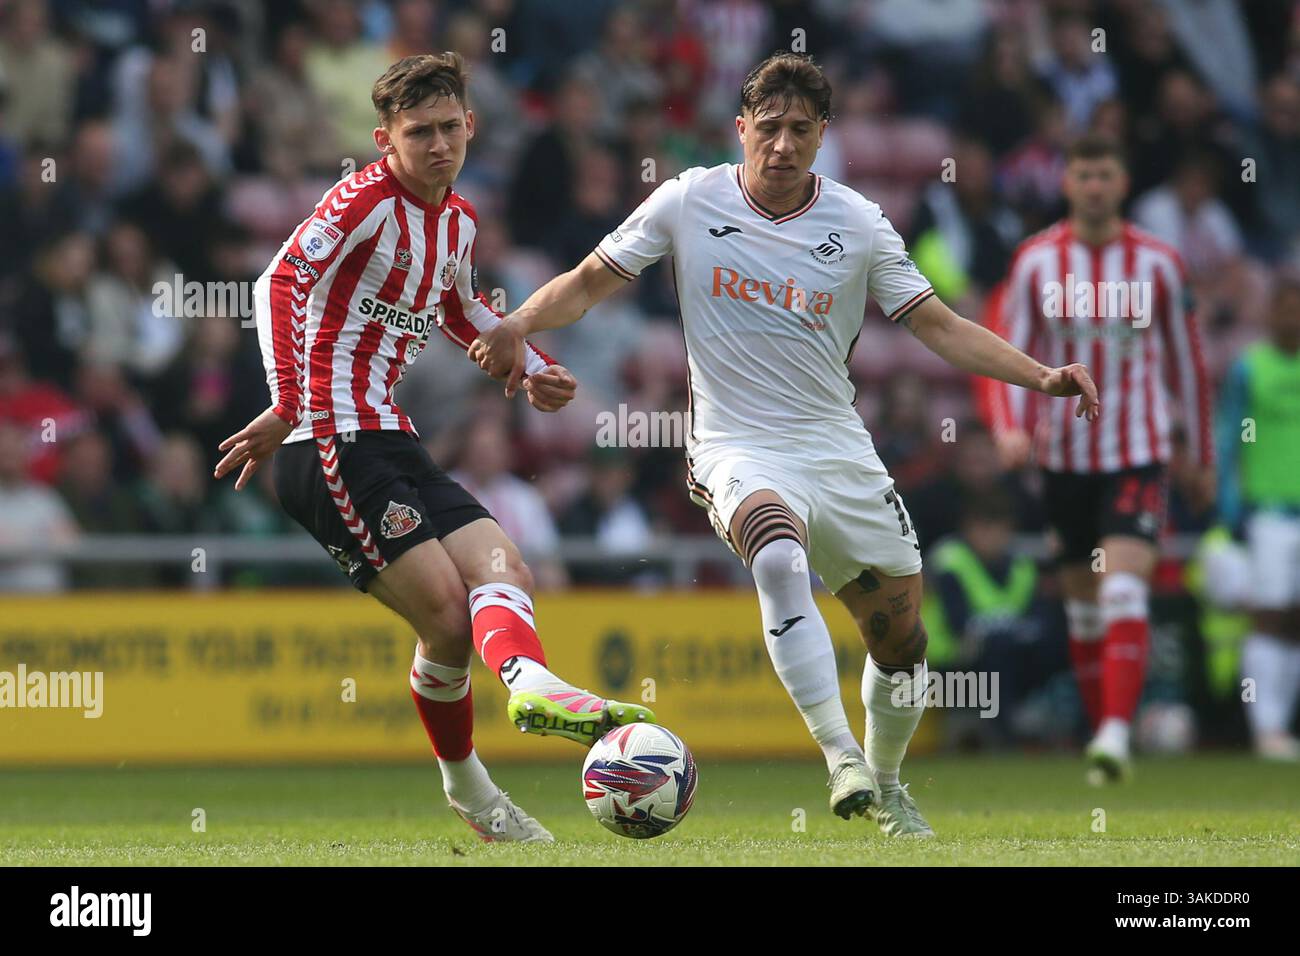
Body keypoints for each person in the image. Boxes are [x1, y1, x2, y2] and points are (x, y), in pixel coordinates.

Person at [471, 53, 1099, 837]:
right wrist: (520, 324)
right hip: (736, 444)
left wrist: (1038, 376)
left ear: (822, 134)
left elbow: (938, 325)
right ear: (741, 129)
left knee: (900, 638)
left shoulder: (859, 222)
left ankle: (890, 784)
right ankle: (839, 755)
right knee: (777, 555)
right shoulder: (688, 200)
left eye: (801, 129)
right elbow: (589, 281)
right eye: (767, 127)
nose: (782, 144)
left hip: (836, 447)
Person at [213, 53, 653, 844]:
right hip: (324, 440)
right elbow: (277, 282)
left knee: (503, 568)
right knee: (449, 618)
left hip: (388, 430)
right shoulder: (361, 200)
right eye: (419, 133)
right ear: (386, 139)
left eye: (451, 128)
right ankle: (476, 795)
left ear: (472, 126)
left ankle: (531, 687)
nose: (439, 145)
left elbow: (455, 308)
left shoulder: (458, 220)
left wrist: (532, 365)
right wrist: (290, 404)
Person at [986, 135, 1214, 784]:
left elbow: (1187, 364)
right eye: (1082, 174)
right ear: (1066, 183)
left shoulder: (1159, 264)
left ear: (1122, 181)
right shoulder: (1034, 263)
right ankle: (1103, 739)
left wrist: (1198, 454)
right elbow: (1011, 356)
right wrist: (1010, 427)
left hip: (1136, 453)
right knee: (1083, 608)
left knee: (1121, 587)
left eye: (1104, 174)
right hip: (1062, 460)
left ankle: (1116, 733)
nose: (1092, 186)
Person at [1216, 275, 1300, 761]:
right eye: (1283, 308)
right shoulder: (1251, 370)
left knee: (1294, 618)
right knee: (1267, 614)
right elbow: (1230, 439)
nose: (1290, 317)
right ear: (1269, 315)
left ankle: (1281, 727)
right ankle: (1264, 727)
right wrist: (1231, 509)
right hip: (1268, 510)